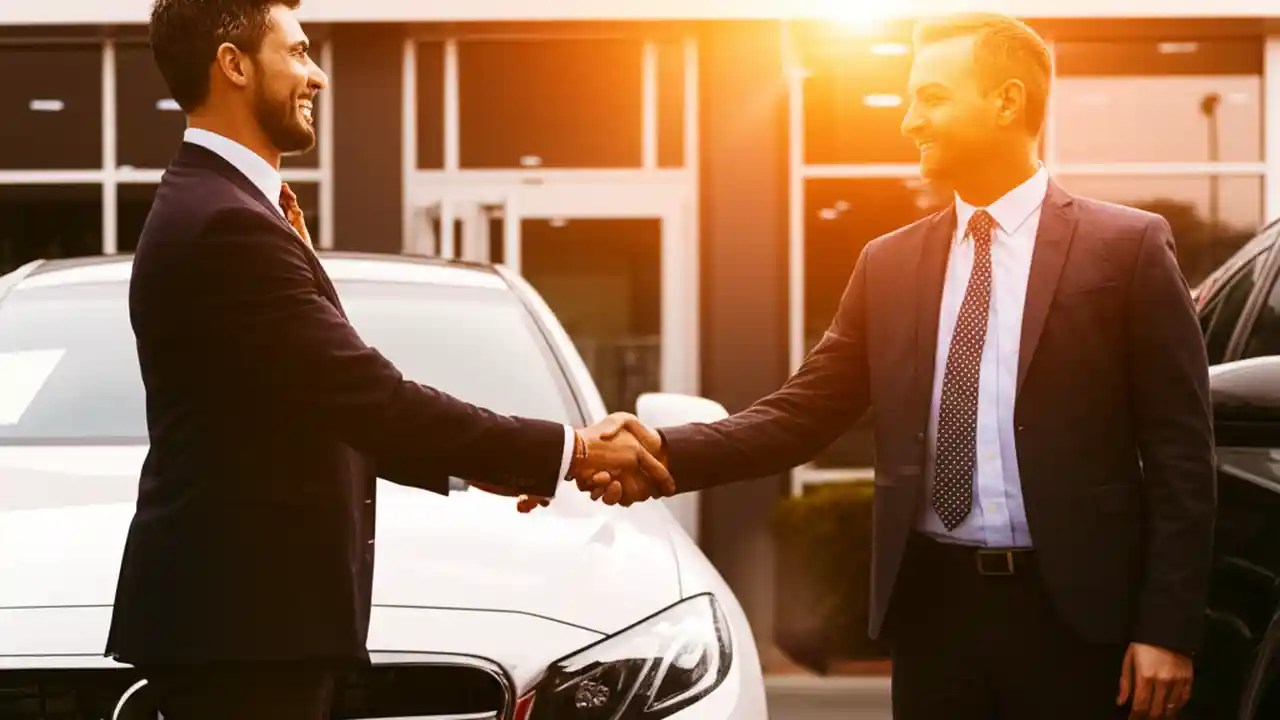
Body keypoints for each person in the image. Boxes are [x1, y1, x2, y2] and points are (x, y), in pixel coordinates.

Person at [593, 13, 1215, 720]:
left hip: (1078, 621)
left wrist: (1168, 629)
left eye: (931, 98)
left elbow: (1181, 455)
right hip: (933, 615)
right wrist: (660, 450)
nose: (909, 121)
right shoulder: (888, 264)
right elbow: (799, 415)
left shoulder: (1127, 249)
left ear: (1007, 101)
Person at [104, 2, 668, 717]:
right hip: (243, 632)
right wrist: (570, 450)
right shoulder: (225, 223)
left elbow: (314, 403)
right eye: (298, 52)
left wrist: (492, 466)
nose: (317, 76)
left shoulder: (223, 206)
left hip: (248, 627)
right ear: (234, 65)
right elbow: (367, 396)